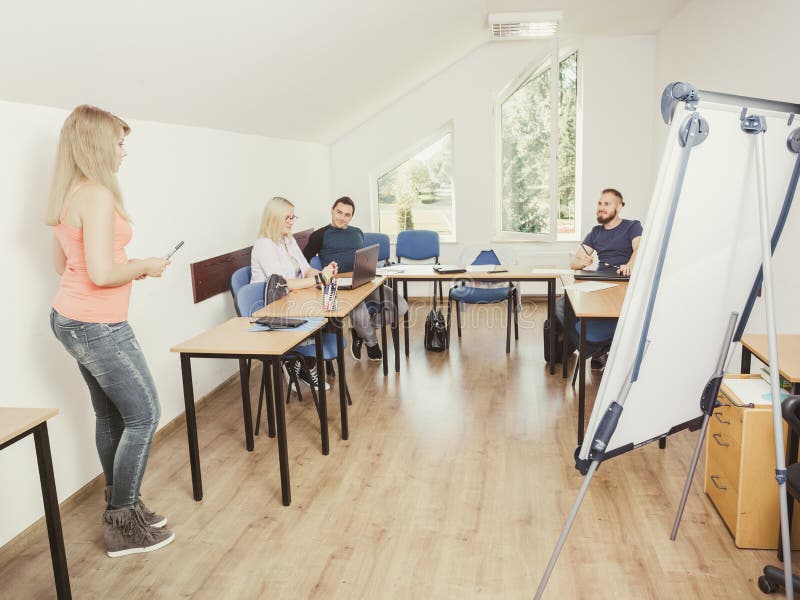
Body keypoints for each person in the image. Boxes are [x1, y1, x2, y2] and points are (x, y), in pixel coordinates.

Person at [46, 105, 174, 557]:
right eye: (119, 142)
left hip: (72, 318)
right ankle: (123, 524)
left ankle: (126, 505)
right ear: (98, 144)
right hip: (96, 324)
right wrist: (144, 266)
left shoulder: (68, 192)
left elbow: (67, 264)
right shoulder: (96, 195)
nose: (124, 151)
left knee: (112, 417)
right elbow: (100, 273)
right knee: (145, 415)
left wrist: (123, 270)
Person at [303, 196, 408, 361]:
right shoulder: (319, 235)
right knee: (360, 313)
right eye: (339, 212)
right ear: (332, 210)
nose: (342, 217)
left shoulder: (357, 232)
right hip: (338, 286)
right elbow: (303, 262)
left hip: (362, 281)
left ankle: (360, 332)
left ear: (351, 217)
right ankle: (372, 343)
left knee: (400, 306)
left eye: (347, 214)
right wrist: (322, 275)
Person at [250, 196, 337, 389]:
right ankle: (299, 363)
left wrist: (323, 273)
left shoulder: (288, 240)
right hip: (271, 308)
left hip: (292, 299)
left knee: (331, 313)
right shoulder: (264, 245)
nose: (291, 221)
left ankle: (299, 363)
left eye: (293, 217)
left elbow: (306, 269)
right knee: (318, 316)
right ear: (273, 218)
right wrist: (317, 280)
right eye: (287, 217)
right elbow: (283, 283)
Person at [557, 188, 643, 370]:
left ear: (618, 207)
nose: (601, 207)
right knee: (560, 306)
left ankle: (603, 347)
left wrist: (629, 264)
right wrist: (582, 261)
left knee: (611, 313)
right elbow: (574, 262)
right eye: (599, 203)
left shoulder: (632, 226)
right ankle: (597, 350)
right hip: (599, 279)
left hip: (622, 279)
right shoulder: (596, 232)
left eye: (607, 204)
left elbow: (639, 248)